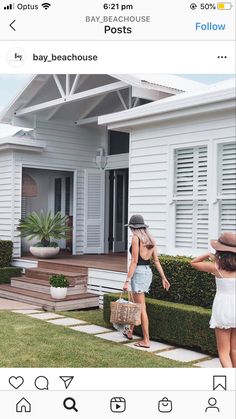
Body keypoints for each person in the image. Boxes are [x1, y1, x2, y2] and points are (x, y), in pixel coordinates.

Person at [123, 214, 170, 348]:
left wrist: (127, 280)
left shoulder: (136, 238)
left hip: (138, 273)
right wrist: (163, 277)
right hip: (147, 272)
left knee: (141, 308)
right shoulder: (151, 239)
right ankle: (130, 331)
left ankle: (146, 340)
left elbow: (134, 261)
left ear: (133, 228)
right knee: (136, 303)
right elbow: (156, 260)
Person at [190, 232, 236, 368]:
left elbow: (193, 262)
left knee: (223, 352)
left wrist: (209, 254)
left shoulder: (216, 267)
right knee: (234, 349)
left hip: (223, 308)